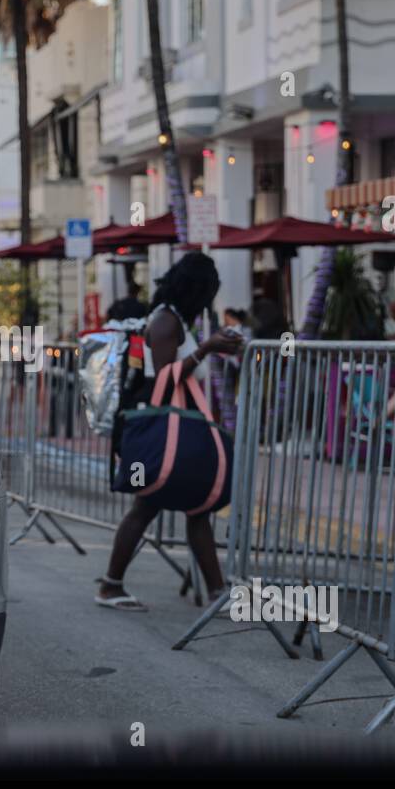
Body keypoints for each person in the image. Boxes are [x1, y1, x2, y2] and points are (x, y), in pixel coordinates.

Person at [96, 253, 242, 611]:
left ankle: (214, 592)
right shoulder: (164, 321)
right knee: (150, 506)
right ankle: (113, 586)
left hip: (174, 430)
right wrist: (207, 349)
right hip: (163, 429)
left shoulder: (174, 319)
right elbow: (164, 377)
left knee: (188, 509)